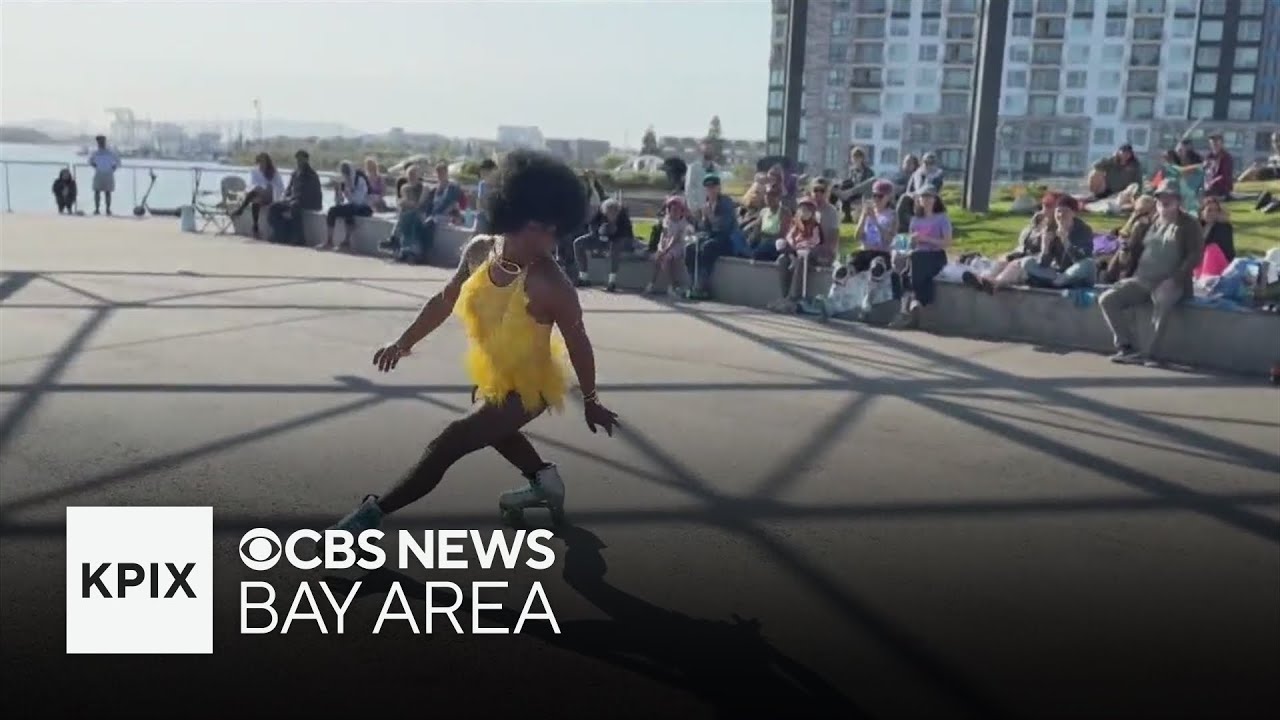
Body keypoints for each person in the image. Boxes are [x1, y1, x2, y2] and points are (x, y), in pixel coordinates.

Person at [326, 149, 620, 533]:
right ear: (513, 214)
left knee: (450, 442)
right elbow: (445, 300)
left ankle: (366, 521)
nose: (548, 238)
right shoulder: (481, 250)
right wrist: (403, 342)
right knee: (496, 433)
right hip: (496, 369)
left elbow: (579, 344)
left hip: (532, 384)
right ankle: (545, 481)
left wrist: (593, 401)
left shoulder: (553, 285)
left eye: (554, 229)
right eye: (539, 226)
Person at [1098, 179, 1204, 367]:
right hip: (1142, 279)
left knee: (1162, 300)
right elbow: (1133, 254)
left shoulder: (1189, 224)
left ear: (1178, 200)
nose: (1165, 200)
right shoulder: (1147, 223)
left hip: (1172, 281)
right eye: (1161, 196)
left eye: (1170, 196)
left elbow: (1195, 256)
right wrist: (1125, 253)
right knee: (1107, 299)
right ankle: (1126, 347)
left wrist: (1175, 279)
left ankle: (1150, 354)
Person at [890, 186, 952, 329]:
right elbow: (910, 243)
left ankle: (910, 307)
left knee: (914, 263)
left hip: (935, 255)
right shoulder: (915, 220)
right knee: (900, 270)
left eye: (930, 197)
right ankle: (912, 306)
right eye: (923, 197)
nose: (926, 200)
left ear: (936, 199)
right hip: (916, 256)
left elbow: (947, 242)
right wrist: (904, 246)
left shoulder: (942, 218)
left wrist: (926, 239)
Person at [683, 174, 738, 300]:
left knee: (708, 247)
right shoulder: (706, 205)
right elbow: (704, 228)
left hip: (726, 238)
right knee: (690, 247)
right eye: (708, 188)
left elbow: (724, 227)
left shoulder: (726, 203)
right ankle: (692, 281)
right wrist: (695, 219)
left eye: (713, 187)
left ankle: (703, 283)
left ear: (718, 188)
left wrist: (711, 216)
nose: (711, 191)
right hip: (711, 236)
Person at [397, 162, 462, 264]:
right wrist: (425, 214)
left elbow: (448, 204)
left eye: (442, 172)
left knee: (429, 223)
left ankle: (424, 254)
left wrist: (433, 215)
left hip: (446, 215)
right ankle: (410, 250)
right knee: (415, 219)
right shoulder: (436, 189)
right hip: (434, 215)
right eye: (438, 173)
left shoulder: (451, 187)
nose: (440, 175)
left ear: (446, 173)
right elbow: (428, 204)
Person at [768, 197, 823, 312]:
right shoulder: (795, 224)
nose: (804, 213)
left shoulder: (815, 226)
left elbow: (814, 242)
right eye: (802, 209)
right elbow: (789, 238)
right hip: (794, 252)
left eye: (807, 210)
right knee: (783, 260)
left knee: (800, 261)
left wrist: (799, 248)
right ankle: (785, 296)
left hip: (808, 255)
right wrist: (792, 249)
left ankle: (793, 298)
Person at [572, 198, 634, 292]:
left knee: (615, 247)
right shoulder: (600, 212)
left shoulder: (623, 215)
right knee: (578, 243)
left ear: (618, 211)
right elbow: (591, 225)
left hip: (619, 240)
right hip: (601, 237)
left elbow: (627, 233)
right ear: (604, 212)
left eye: (614, 214)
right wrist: (598, 232)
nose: (611, 216)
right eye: (609, 213)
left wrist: (613, 232)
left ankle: (611, 281)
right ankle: (583, 277)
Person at [267, 149, 324, 246]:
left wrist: (292, 199)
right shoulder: (295, 173)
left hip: (310, 202)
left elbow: (307, 193)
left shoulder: (311, 174)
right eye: (298, 159)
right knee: (274, 207)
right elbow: (289, 189)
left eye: (301, 159)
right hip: (295, 200)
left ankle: (299, 238)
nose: (299, 161)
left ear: (306, 160)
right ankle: (280, 234)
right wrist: (285, 197)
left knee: (295, 207)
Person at [1099, 196, 1156, 285]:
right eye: (1136, 211)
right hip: (1126, 256)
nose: (1138, 215)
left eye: (1143, 213)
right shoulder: (1136, 220)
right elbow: (1123, 234)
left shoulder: (1150, 225)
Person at [644, 195, 693, 298]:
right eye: (672, 209)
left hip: (678, 246)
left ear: (681, 211)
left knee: (666, 259)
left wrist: (665, 250)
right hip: (666, 244)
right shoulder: (667, 220)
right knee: (658, 258)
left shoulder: (683, 223)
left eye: (677, 210)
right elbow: (664, 235)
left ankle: (672, 287)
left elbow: (675, 239)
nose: (674, 212)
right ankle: (652, 283)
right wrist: (661, 248)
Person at [321, 160, 374, 251]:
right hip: (353, 206)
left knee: (348, 210)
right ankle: (332, 241)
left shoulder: (359, 179)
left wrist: (349, 189)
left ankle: (345, 241)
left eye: (346, 171)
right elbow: (339, 202)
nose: (345, 174)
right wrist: (337, 190)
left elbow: (358, 200)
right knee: (334, 211)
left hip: (365, 207)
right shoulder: (344, 182)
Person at [848, 179, 898, 273]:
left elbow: (889, 240)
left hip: (882, 253)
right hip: (865, 251)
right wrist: (863, 217)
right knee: (852, 263)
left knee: (877, 266)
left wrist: (875, 221)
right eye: (874, 196)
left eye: (880, 196)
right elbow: (857, 237)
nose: (876, 199)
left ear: (888, 197)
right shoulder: (867, 212)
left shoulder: (893, 215)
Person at [231, 153, 285, 238]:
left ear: (268, 162)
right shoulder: (254, 171)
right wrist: (259, 188)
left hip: (270, 196)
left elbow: (280, 186)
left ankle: (241, 209)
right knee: (256, 199)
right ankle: (255, 227)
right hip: (257, 195)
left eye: (264, 161)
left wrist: (269, 188)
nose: (262, 163)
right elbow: (251, 184)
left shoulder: (273, 171)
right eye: (260, 161)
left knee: (257, 191)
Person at [744, 184, 790, 261]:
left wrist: (765, 236)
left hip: (775, 244)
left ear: (779, 197)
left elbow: (782, 235)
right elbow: (757, 229)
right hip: (762, 241)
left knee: (762, 248)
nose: (769, 197)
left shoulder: (784, 212)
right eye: (767, 194)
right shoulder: (763, 212)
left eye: (773, 195)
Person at [385, 164, 426, 250]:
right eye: (410, 175)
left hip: (420, 213)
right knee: (404, 215)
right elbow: (403, 202)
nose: (411, 177)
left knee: (405, 215)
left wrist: (408, 203)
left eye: (413, 174)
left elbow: (419, 204)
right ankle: (399, 243)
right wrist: (407, 203)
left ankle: (394, 239)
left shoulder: (424, 188)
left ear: (418, 176)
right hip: (408, 213)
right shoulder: (405, 187)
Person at [1195, 195, 1235, 277]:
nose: (1213, 213)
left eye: (1216, 210)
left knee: (1211, 248)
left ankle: (1204, 280)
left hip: (1222, 266)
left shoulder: (1223, 227)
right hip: (1201, 267)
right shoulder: (1197, 227)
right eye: (1209, 210)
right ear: (1202, 212)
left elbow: (1226, 253)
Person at [834, 146, 876, 222]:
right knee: (841, 187)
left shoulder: (869, 172)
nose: (855, 159)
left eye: (857, 157)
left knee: (846, 192)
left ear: (862, 158)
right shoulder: (852, 171)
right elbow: (849, 181)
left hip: (863, 193)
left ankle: (846, 196)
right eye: (854, 157)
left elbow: (868, 186)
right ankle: (846, 215)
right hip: (851, 193)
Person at [87, 135, 120, 216]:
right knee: (96, 191)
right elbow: (90, 161)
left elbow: (118, 162)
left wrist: (113, 169)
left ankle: (108, 209)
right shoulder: (95, 153)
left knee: (108, 192)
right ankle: (97, 209)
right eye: (99, 141)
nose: (101, 143)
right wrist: (96, 167)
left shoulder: (110, 152)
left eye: (102, 141)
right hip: (99, 173)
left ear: (105, 142)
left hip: (108, 173)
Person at [1202, 133, 1234, 199]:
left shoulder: (1226, 157)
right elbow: (1204, 171)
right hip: (1208, 186)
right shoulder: (1209, 156)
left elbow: (1224, 176)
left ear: (1221, 144)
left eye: (1216, 143)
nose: (1214, 145)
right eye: (1212, 144)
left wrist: (1210, 183)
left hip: (1220, 188)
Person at [474, 158, 497, 232]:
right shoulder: (482, 184)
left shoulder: (499, 185)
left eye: (485, 172)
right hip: (484, 215)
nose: (482, 174)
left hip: (495, 216)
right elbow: (480, 201)